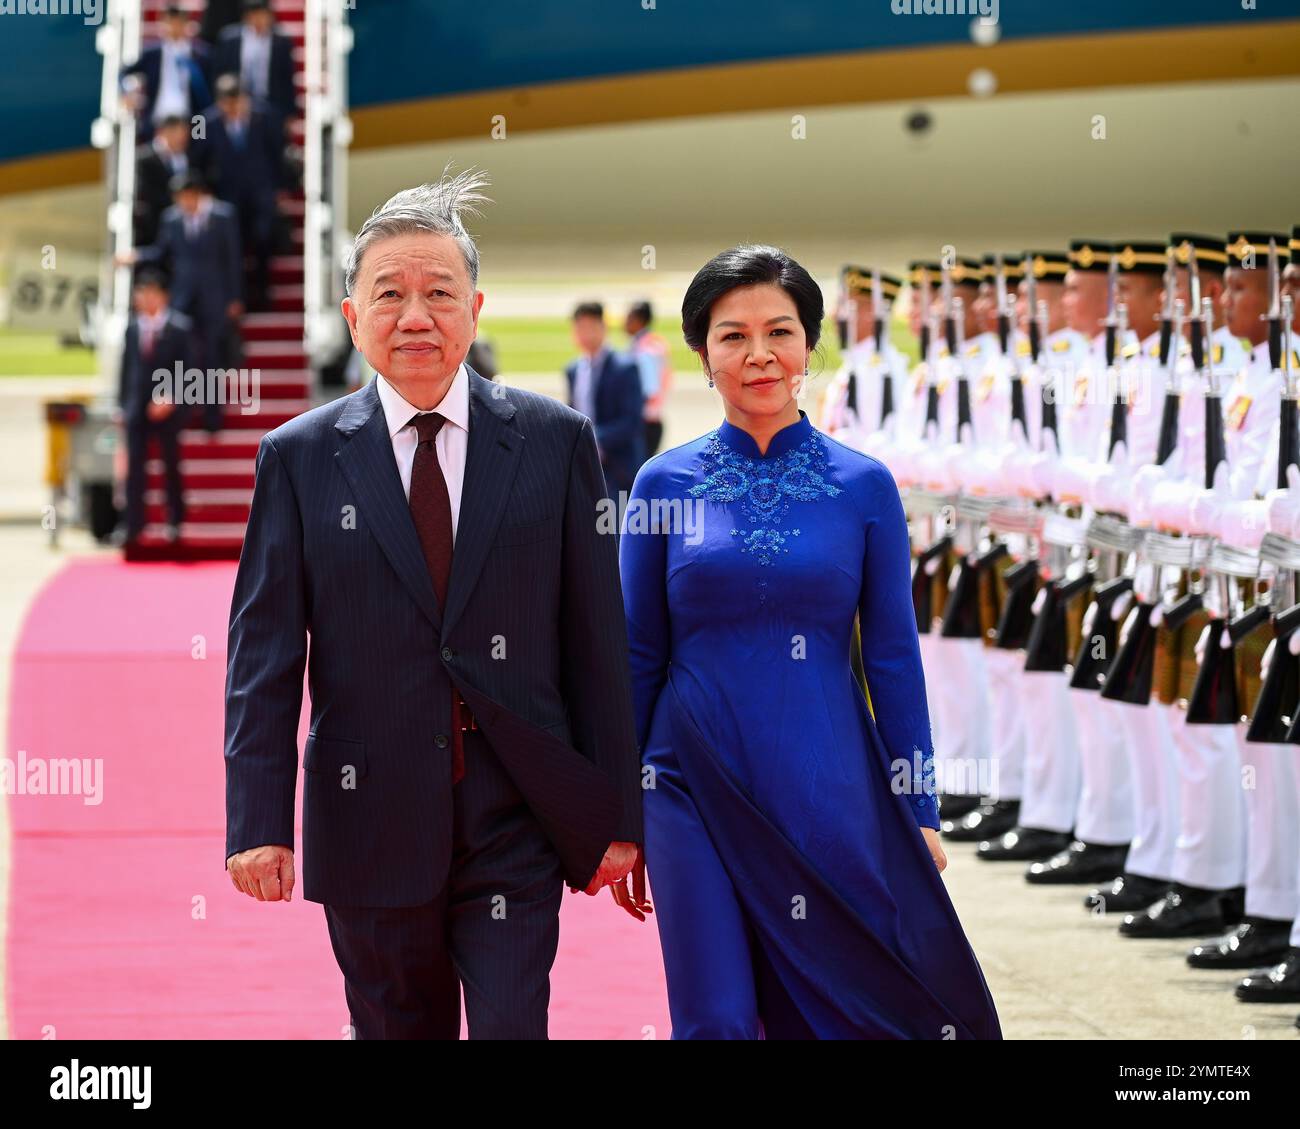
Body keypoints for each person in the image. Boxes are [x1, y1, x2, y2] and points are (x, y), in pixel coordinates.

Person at [223, 170, 645, 1040]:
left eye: (440, 293)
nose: (416, 316)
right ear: (352, 318)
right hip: (367, 810)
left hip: (517, 813)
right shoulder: (298, 459)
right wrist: (257, 820)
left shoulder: (554, 441)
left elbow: (598, 641)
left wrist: (618, 815)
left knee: (510, 1026)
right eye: (389, 294)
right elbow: (265, 653)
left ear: (476, 307)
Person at [619, 243, 1002, 1039]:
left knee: (827, 1011)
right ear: (701, 353)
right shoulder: (661, 484)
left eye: (779, 331)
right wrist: (621, 807)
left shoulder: (864, 486)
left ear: (809, 345)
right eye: (732, 335)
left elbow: (894, 657)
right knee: (716, 1019)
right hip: (686, 781)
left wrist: (918, 804)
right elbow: (637, 654)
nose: (758, 354)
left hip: (827, 788)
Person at [125, 170, 242, 434]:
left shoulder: (223, 216)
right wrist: (136, 256)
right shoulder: (171, 219)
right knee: (181, 359)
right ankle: (182, 414)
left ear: (197, 195)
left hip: (214, 298)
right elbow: (161, 252)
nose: (183, 203)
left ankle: (213, 418)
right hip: (183, 297)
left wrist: (234, 296)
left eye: (187, 197)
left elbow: (232, 258)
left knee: (212, 358)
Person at [113, 268, 194, 546]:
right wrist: (122, 406)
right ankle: (134, 524)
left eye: (150, 293)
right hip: (137, 409)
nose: (144, 299)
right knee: (135, 467)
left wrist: (172, 398)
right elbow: (126, 370)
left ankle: (175, 520)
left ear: (163, 296)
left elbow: (191, 371)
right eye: (140, 293)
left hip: (167, 410)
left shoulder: (179, 328)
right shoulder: (133, 328)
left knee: (170, 463)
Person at [564, 301, 645, 499]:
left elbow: (631, 421)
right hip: (585, 466)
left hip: (619, 468)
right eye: (580, 328)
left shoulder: (625, 368)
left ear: (603, 328)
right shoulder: (573, 370)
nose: (585, 334)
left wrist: (590, 437)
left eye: (591, 327)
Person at [121, 3, 212, 143]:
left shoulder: (201, 56)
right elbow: (124, 72)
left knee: (199, 148)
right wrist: (127, 93)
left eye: (178, 23)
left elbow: (207, 94)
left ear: (186, 24)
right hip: (157, 119)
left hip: (192, 121)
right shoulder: (151, 54)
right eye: (170, 23)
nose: (174, 28)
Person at [212, 0, 297, 132]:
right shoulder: (230, 38)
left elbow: (287, 79)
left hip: (271, 103)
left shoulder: (281, 42)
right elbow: (219, 73)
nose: (258, 19)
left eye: (262, 14)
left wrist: (290, 112)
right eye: (254, 15)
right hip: (235, 103)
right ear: (246, 16)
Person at [624, 300, 673, 457]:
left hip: (645, 424)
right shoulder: (651, 343)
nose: (625, 322)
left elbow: (649, 389)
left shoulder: (645, 350)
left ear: (638, 321)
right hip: (649, 422)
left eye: (629, 317)